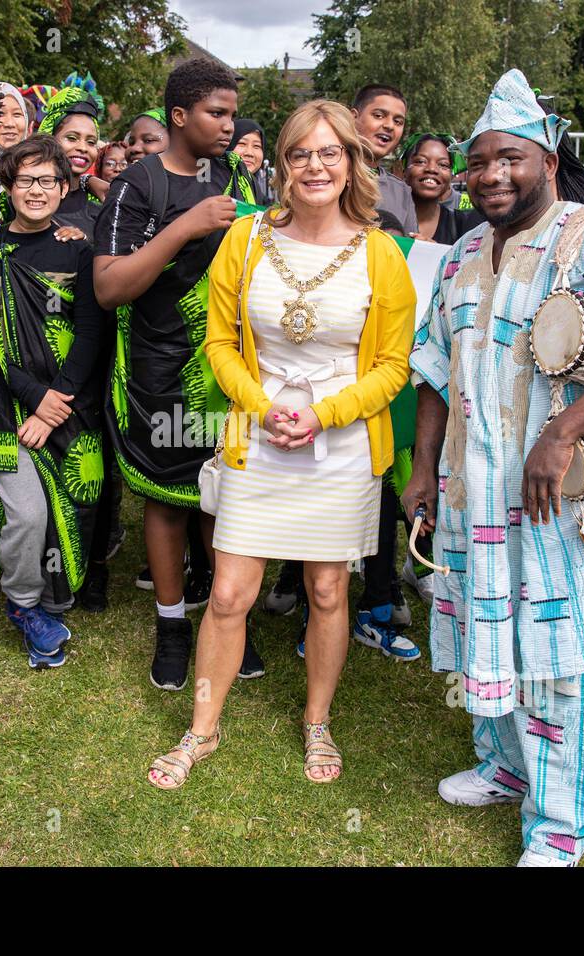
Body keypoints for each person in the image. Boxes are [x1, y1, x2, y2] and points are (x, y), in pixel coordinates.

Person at [402, 69, 584, 866]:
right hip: (474, 493)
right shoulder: (463, 250)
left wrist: (563, 431)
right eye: (480, 161)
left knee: (562, 654)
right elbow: (435, 371)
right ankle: (503, 768)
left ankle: (559, 829)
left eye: (512, 158)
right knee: (479, 628)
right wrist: (424, 468)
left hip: (560, 501)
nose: (493, 175)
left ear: (549, 158)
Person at [146, 99, 414, 789]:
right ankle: (201, 730)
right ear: (284, 165)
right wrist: (262, 407)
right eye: (300, 153)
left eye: (330, 152)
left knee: (327, 590)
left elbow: (391, 366)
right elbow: (220, 340)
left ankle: (317, 721)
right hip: (254, 433)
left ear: (352, 161)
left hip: (343, 441)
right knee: (231, 593)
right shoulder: (246, 236)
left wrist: (324, 416)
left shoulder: (382, 254)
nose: (315, 165)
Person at [94, 57, 260, 692]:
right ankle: (171, 626)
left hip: (225, 370)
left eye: (230, 112)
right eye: (217, 113)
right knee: (167, 500)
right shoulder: (140, 183)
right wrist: (185, 227)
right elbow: (109, 287)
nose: (228, 124)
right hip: (157, 367)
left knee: (222, 498)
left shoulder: (233, 179)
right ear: (180, 116)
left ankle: (228, 616)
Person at [0, 136, 107, 667]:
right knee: (27, 510)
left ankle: (56, 596)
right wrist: (34, 400)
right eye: (25, 180)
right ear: (8, 186)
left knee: (81, 496)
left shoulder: (78, 248)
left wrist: (57, 401)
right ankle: (24, 607)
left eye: (48, 180)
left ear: (66, 188)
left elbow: (90, 331)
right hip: (0, 406)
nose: (37, 190)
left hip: (68, 404)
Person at [350, 84, 416, 233]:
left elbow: (406, 249)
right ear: (353, 117)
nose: (389, 126)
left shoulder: (401, 191)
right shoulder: (328, 177)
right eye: (379, 116)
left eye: (398, 122)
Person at [37, 87, 104, 233]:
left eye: (91, 142)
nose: (83, 148)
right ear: (49, 137)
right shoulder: (23, 194)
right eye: (72, 138)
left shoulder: (101, 204)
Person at [401, 132, 485, 244]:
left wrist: (438, 254)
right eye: (421, 161)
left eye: (443, 165)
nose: (432, 169)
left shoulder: (466, 226)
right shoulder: (380, 217)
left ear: (451, 176)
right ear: (404, 170)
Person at [229, 118, 272, 205]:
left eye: (256, 146)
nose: (249, 153)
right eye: (242, 144)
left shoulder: (257, 192)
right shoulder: (215, 185)